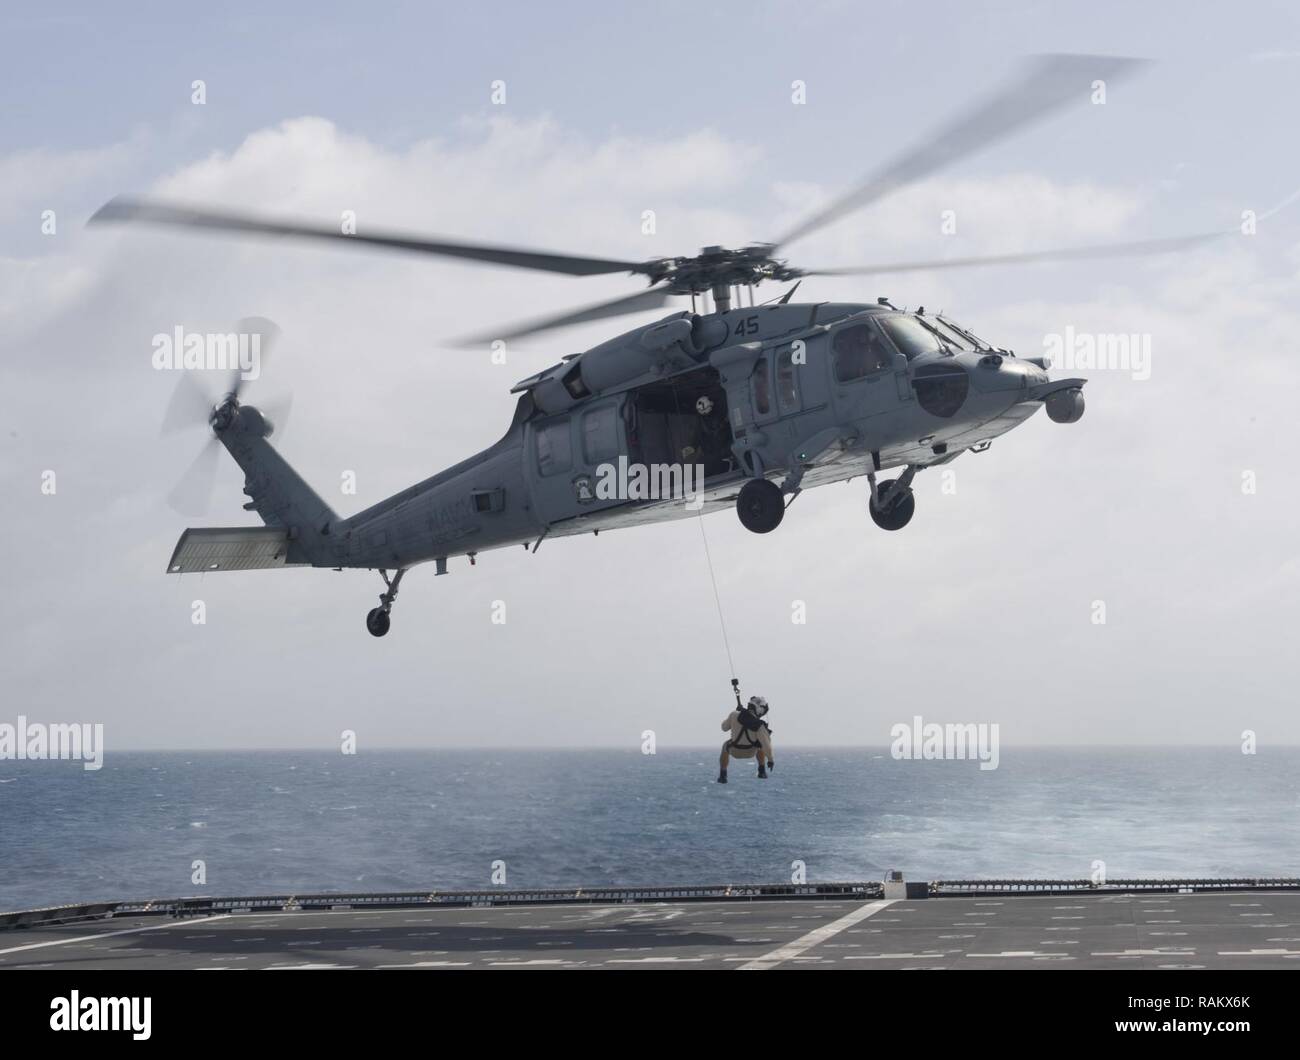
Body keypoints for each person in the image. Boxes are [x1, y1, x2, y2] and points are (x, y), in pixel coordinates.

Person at [718, 695, 774, 783]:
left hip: (734, 751)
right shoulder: (760, 725)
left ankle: (723, 775)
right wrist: (770, 760)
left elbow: (724, 728)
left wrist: (736, 714)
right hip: (751, 752)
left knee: (725, 746)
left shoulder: (734, 715)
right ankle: (762, 771)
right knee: (761, 743)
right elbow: (766, 745)